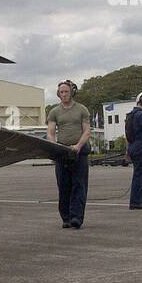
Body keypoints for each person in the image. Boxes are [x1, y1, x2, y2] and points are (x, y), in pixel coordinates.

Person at [46, 80, 90, 228]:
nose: (64, 94)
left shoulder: (82, 109)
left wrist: (78, 146)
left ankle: (77, 217)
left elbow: (87, 131)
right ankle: (66, 217)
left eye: (66, 91)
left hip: (79, 152)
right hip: (62, 152)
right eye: (61, 92)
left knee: (79, 185)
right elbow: (51, 132)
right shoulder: (54, 112)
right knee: (63, 185)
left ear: (72, 92)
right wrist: (54, 146)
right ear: (58, 94)